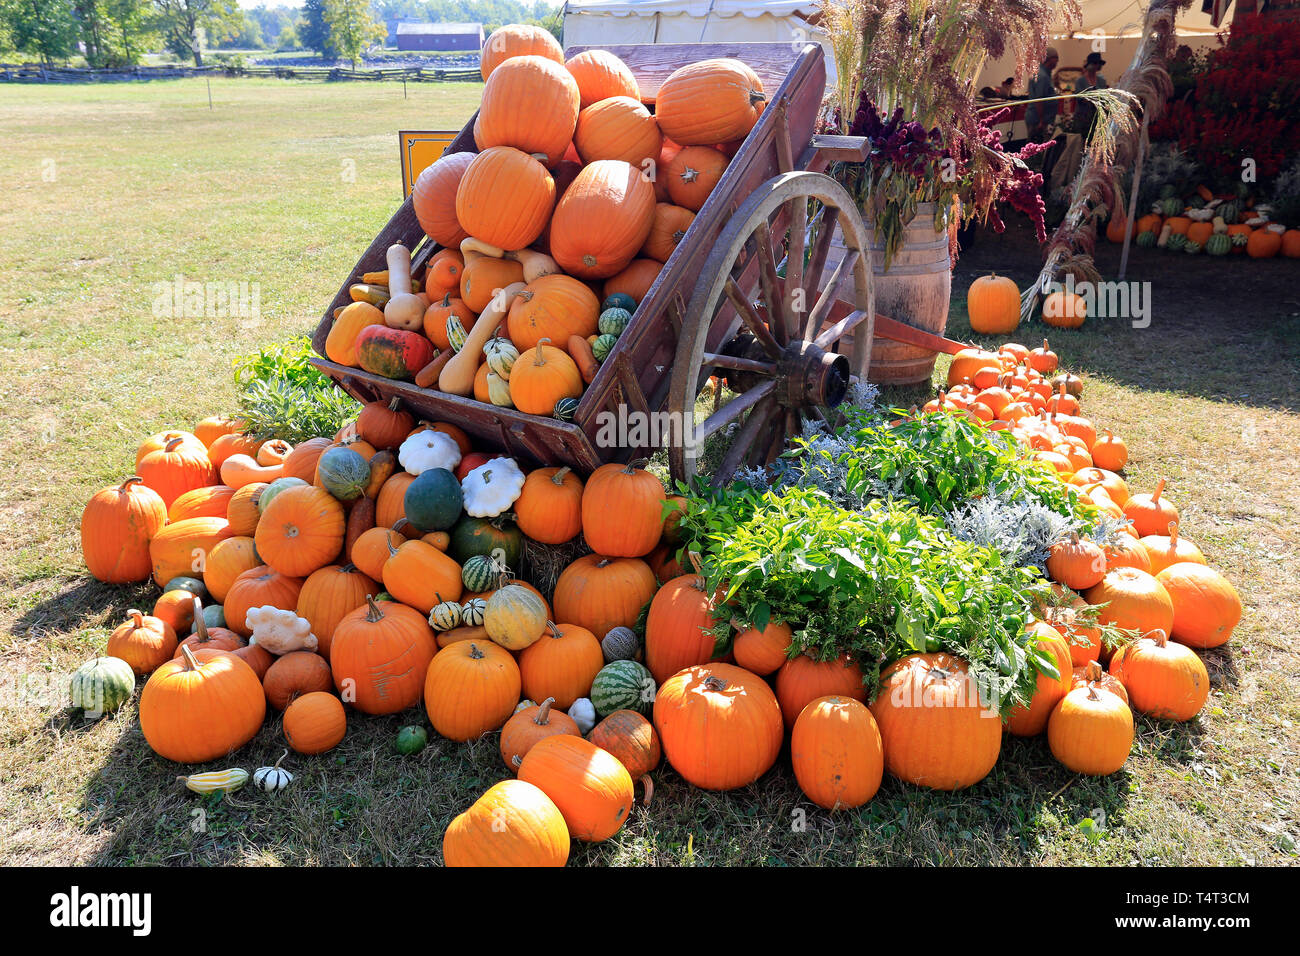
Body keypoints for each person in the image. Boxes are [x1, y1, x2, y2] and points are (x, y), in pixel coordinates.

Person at [1024, 47, 1060, 142]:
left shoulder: (1044, 73)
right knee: (1036, 148)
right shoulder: (1042, 76)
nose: (1057, 61)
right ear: (1049, 58)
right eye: (1056, 58)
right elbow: (1039, 100)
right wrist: (1041, 121)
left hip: (1040, 119)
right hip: (1038, 120)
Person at [1073, 52, 1109, 138]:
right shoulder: (1080, 81)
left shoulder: (1101, 81)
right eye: (1095, 63)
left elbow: (1104, 97)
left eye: (1098, 63)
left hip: (1096, 117)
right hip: (1083, 117)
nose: (1097, 66)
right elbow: (1079, 97)